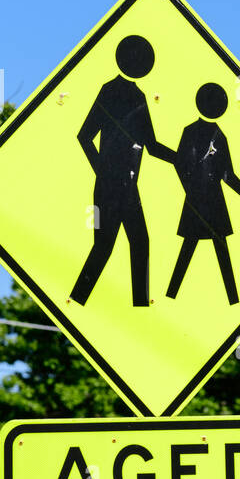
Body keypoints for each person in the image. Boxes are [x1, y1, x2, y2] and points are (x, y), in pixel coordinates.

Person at [69, 35, 177, 307]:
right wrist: (102, 171)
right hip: (109, 188)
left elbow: (151, 146)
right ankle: (77, 300)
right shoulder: (110, 91)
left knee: (139, 243)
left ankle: (139, 307)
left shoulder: (138, 97)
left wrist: (181, 159)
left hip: (129, 189)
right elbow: (84, 136)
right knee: (105, 246)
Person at [165, 82, 240, 305]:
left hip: (210, 202)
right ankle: (171, 295)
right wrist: (190, 187)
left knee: (218, 250)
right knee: (190, 248)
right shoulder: (197, 132)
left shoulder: (217, 135)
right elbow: (181, 164)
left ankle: (233, 300)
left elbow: (226, 174)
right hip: (203, 201)